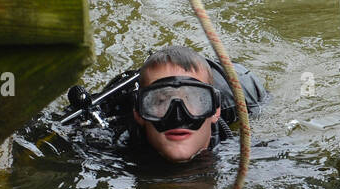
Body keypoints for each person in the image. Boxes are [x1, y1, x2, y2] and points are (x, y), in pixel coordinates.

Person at [44, 45, 266, 164]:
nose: (178, 117)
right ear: (139, 111)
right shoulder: (108, 146)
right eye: (160, 102)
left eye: (194, 100)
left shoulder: (245, 151)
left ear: (214, 110)